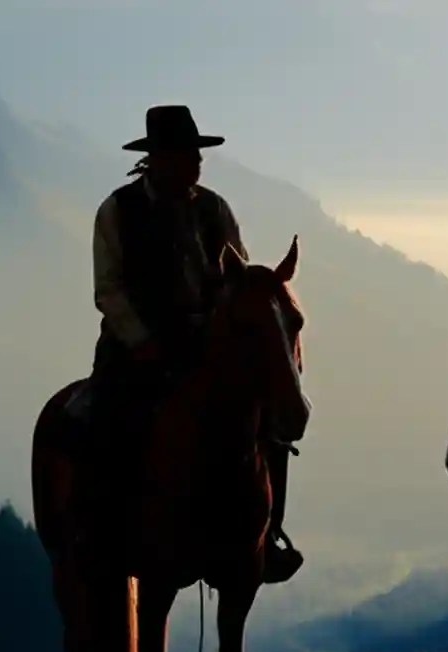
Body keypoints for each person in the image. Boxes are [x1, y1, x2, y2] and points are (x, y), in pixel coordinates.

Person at [85, 105, 303, 584]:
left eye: (196, 156)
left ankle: (266, 534)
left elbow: (237, 276)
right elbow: (110, 290)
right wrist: (143, 341)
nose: (196, 165)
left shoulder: (214, 208)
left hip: (207, 344)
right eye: (187, 155)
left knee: (269, 425)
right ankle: (103, 531)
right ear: (158, 159)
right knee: (105, 422)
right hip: (135, 348)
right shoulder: (118, 211)